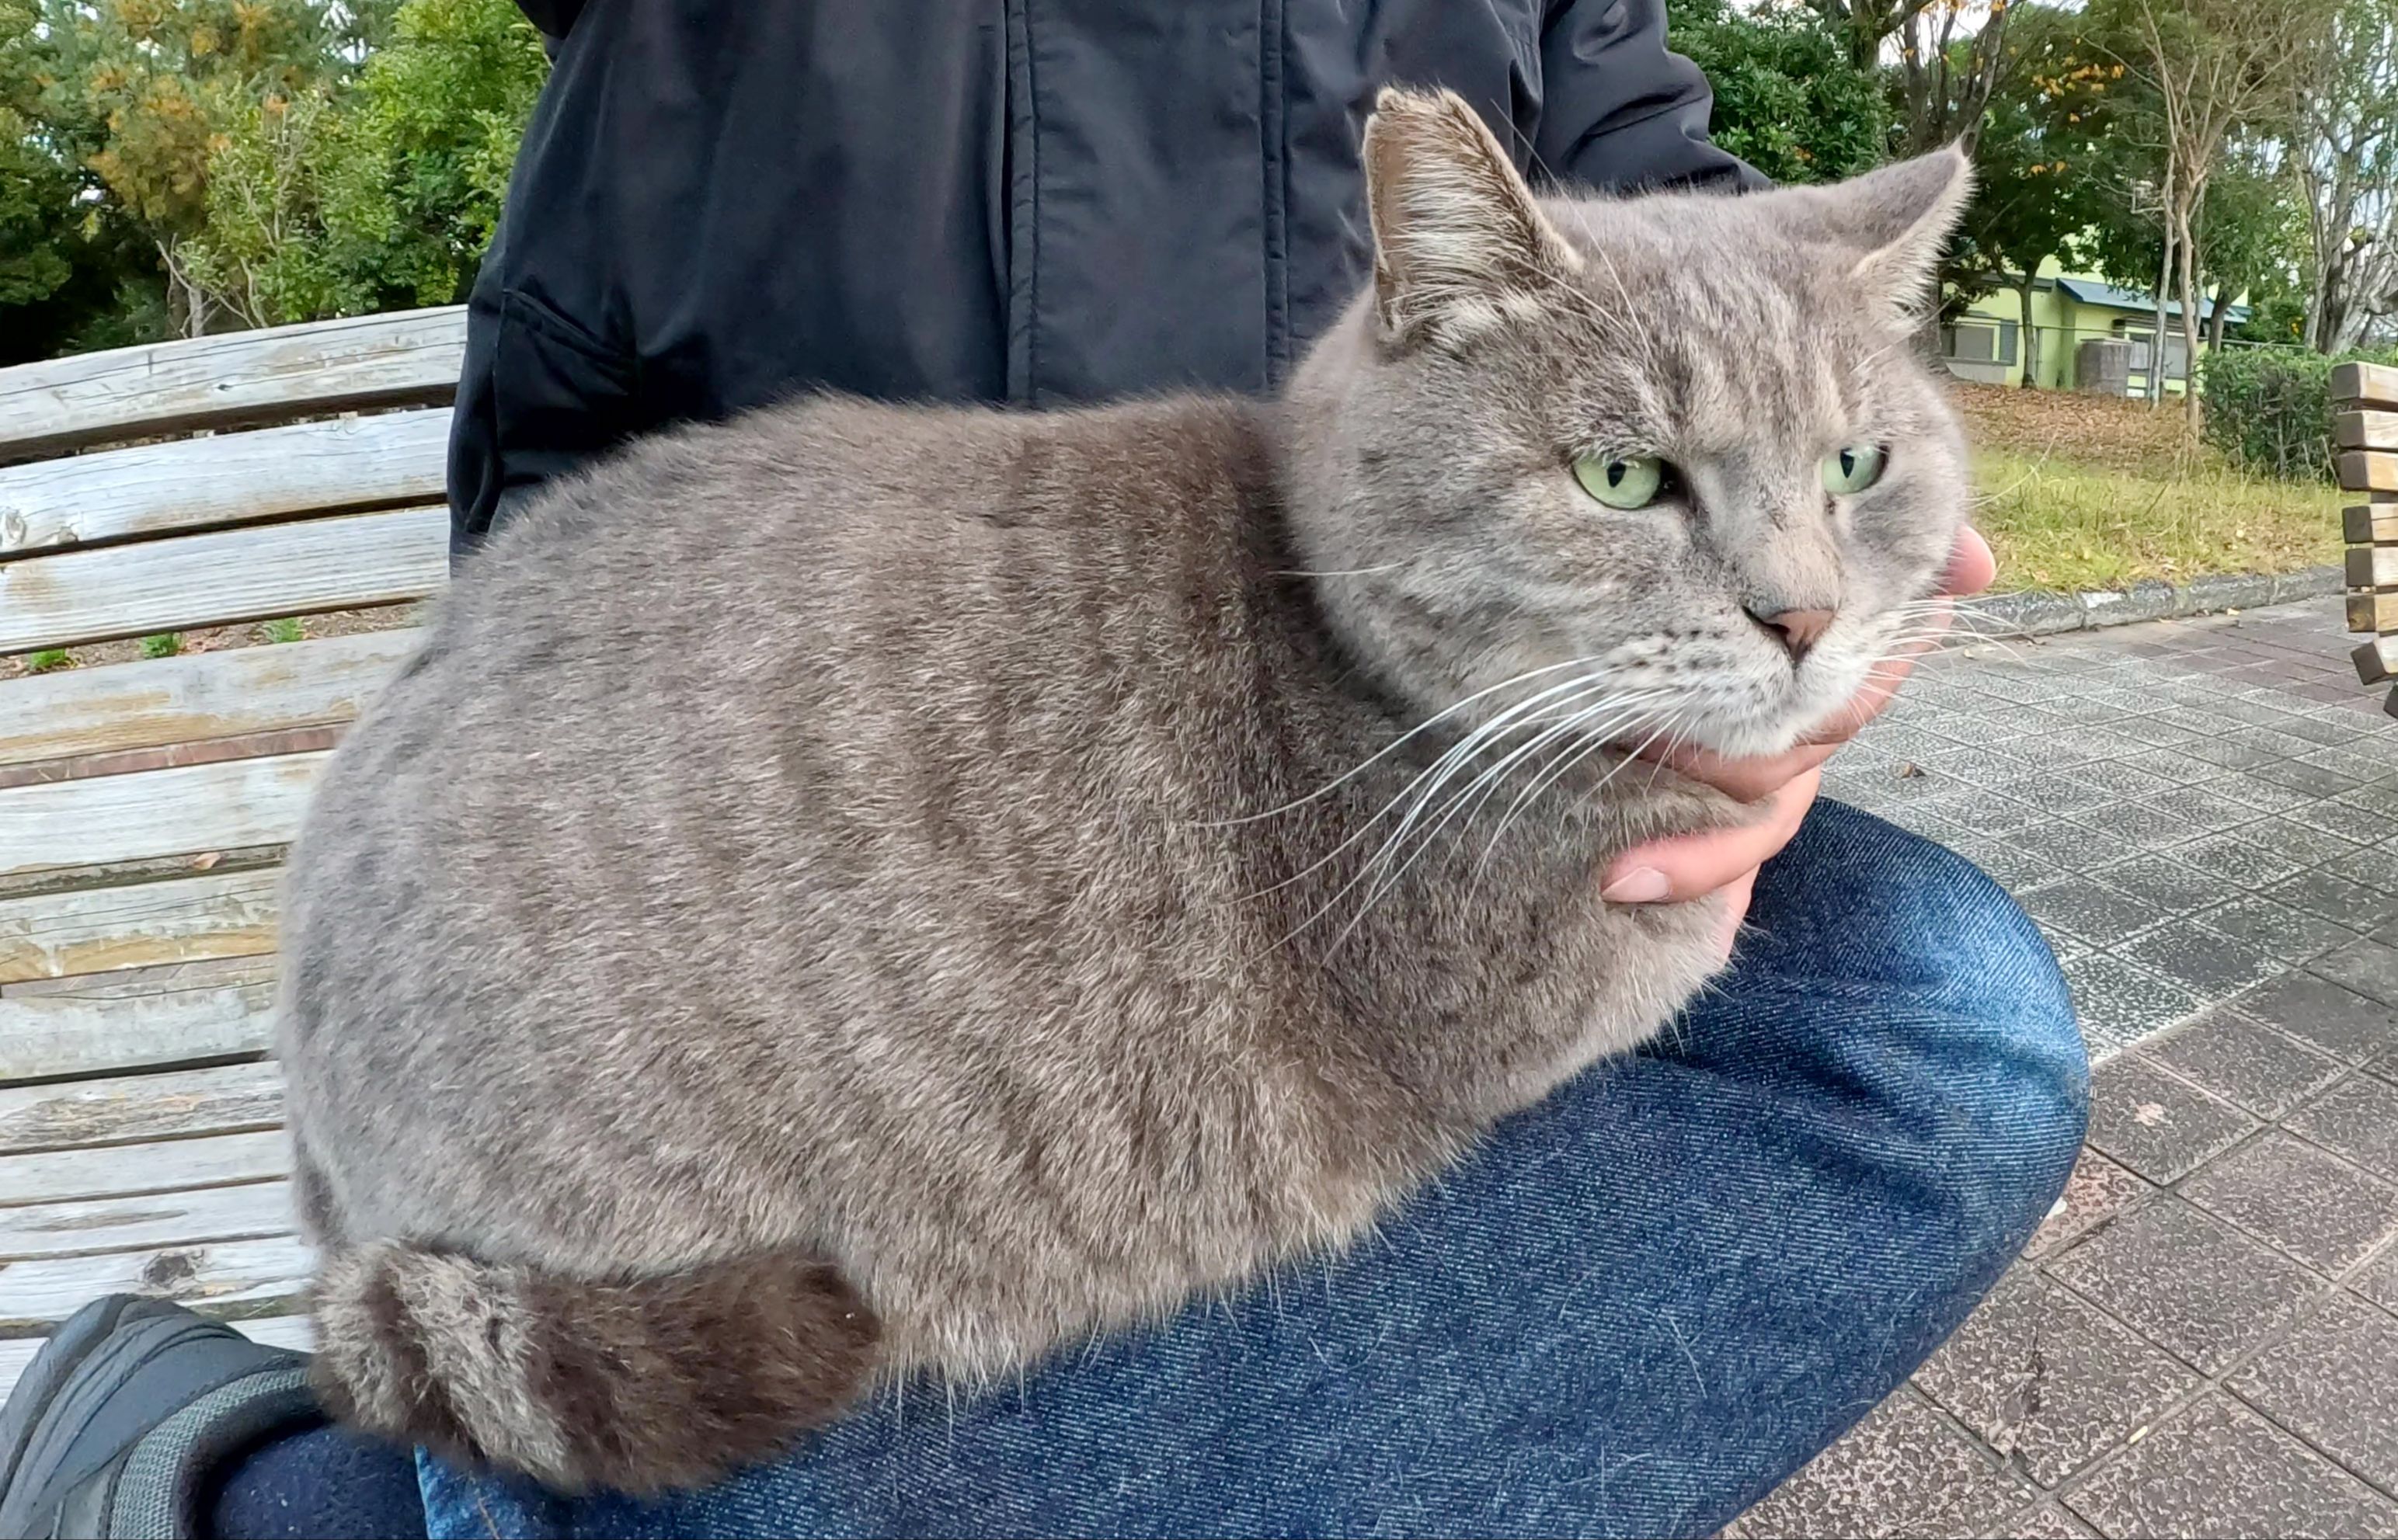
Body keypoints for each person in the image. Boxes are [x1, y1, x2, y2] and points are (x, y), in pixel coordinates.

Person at [0, 4, 2089, 1538]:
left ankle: (313, 1498)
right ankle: (313, 1490)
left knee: (1949, 1028)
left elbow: (1679, 211)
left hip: (1416, 690)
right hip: (741, 888)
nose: (1801, 588)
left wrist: (1799, 453)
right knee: (764, 1416)